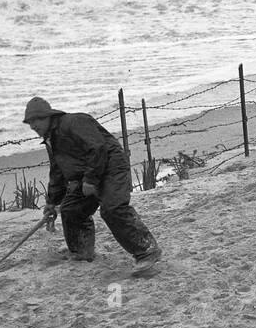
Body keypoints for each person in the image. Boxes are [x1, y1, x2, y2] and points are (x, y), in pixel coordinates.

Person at [23, 97, 164, 277]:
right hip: (88, 174)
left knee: (112, 209)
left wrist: (90, 180)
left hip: (112, 166)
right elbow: (58, 171)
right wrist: (52, 202)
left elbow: (98, 148)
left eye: (37, 120)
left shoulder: (73, 122)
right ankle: (82, 252)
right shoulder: (52, 139)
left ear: (49, 116)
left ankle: (147, 250)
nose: (34, 126)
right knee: (71, 209)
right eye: (30, 123)